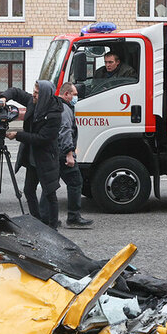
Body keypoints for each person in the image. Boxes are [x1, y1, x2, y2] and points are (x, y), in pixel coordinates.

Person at [0, 80, 64, 228]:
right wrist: (4, 98)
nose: (33, 95)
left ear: (45, 95)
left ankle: (53, 227)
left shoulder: (54, 114)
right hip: (32, 158)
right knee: (29, 190)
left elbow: (43, 139)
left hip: (47, 158)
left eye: (37, 93)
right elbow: (16, 92)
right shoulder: (32, 101)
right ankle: (38, 222)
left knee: (50, 193)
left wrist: (18, 135)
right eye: (34, 91)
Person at [55, 82, 92, 228]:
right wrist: (69, 154)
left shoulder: (59, 106)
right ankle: (73, 218)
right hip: (63, 153)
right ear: (66, 94)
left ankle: (46, 217)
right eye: (74, 94)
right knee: (75, 182)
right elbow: (65, 131)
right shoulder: (65, 109)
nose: (76, 97)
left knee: (50, 187)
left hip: (55, 153)